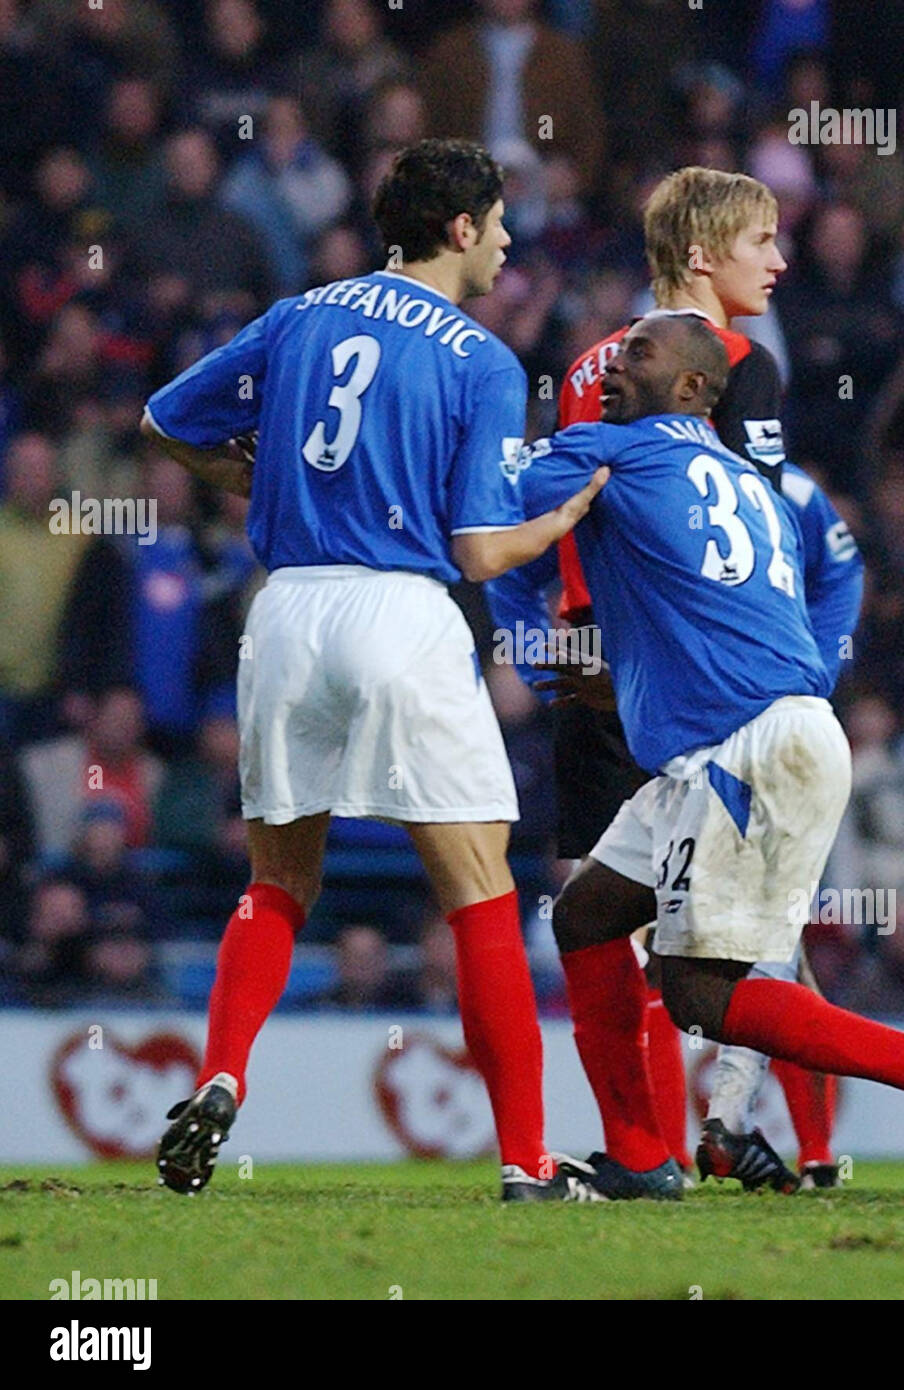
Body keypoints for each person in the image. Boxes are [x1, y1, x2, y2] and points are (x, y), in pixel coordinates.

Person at [141, 139, 607, 1201]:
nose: (503, 240)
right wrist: (561, 517)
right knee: (480, 892)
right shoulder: (480, 358)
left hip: (288, 608)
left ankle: (219, 1075)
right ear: (457, 230)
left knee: (278, 880)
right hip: (399, 610)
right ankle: (529, 1162)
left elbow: (165, 421)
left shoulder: (301, 313)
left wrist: (247, 482)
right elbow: (482, 552)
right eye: (494, 221)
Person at [517, 312, 904, 1204]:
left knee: (698, 988)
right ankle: (639, 1158)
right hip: (735, 739)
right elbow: (708, 629)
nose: (614, 367)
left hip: (750, 751)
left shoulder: (618, 452)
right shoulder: (750, 485)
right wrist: (621, 683)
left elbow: (491, 498)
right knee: (585, 917)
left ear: (696, 390)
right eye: (617, 354)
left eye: (639, 355)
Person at [488, 167, 863, 1191]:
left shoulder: (587, 369)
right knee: (752, 939)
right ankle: (785, 1140)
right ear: (704, 254)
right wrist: (798, 669)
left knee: (608, 922)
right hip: (704, 690)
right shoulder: (729, 365)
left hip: (593, 672)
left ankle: (650, 1151)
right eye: (761, 242)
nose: (778, 261)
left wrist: (538, 645)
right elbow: (752, 540)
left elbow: (531, 528)